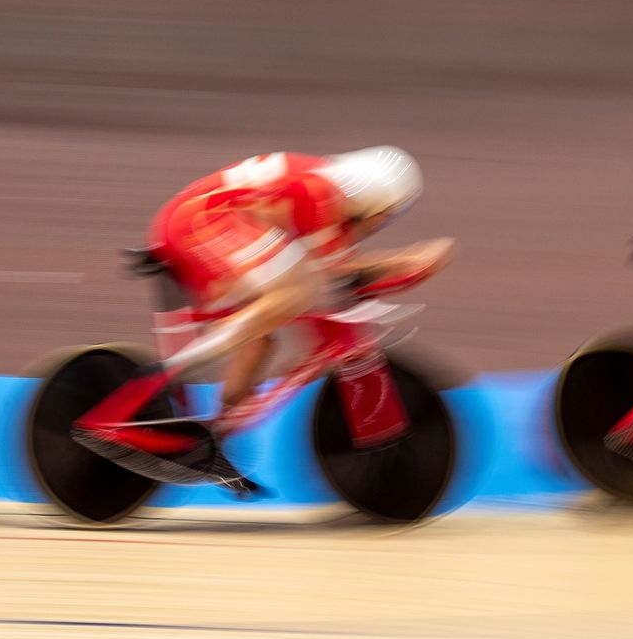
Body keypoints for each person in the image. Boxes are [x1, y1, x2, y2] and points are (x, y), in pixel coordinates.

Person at [74, 147, 453, 490]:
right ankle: (144, 388)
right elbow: (335, 274)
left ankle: (210, 437)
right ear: (374, 200)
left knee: (262, 337)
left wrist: (395, 269)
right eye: (387, 214)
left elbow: (342, 274)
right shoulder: (319, 193)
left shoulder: (330, 200)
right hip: (202, 220)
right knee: (295, 292)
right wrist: (405, 263)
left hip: (210, 221)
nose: (381, 224)